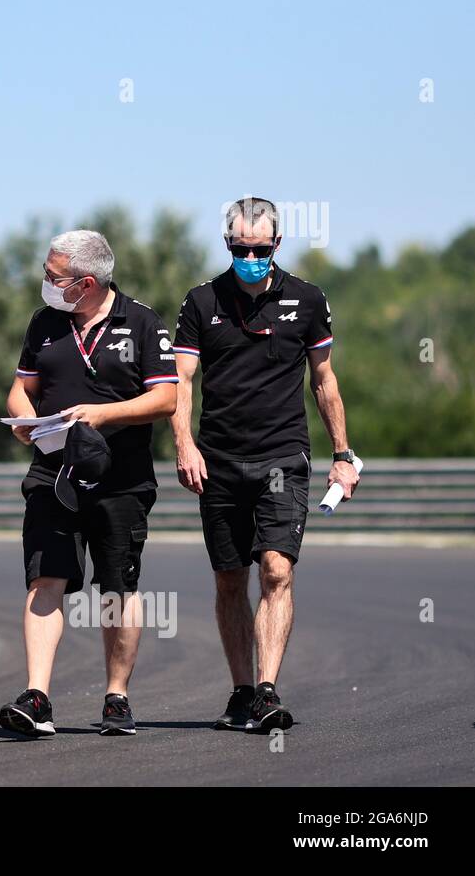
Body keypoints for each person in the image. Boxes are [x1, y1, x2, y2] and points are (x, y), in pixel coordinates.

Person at [172, 196, 359, 732]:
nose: (249, 255)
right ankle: (241, 690)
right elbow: (181, 383)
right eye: (239, 248)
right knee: (230, 579)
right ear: (227, 244)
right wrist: (185, 445)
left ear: (277, 244)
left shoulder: (307, 298)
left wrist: (342, 456)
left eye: (259, 248)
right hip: (220, 460)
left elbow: (325, 382)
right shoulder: (201, 301)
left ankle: (269, 691)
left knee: (277, 569)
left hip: (283, 455)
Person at [0, 230, 177, 738]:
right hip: (52, 473)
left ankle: (116, 698)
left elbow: (166, 400)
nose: (45, 284)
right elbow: (19, 390)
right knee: (45, 579)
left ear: (87, 282)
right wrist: (27, 423)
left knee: (118, 589)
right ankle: (38, 696)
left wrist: (103, 414)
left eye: (54, 277)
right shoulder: (44, 324)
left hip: (121, 479)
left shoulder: (142, 322)